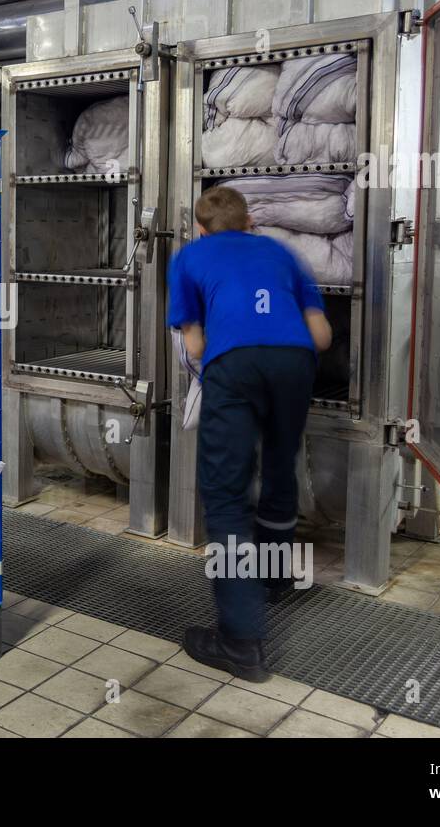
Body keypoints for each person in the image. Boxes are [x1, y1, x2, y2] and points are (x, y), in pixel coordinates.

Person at [167, 185, 332, 682]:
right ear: (250, 222)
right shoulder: (281, 251)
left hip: (235, 366)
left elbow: (195, 345)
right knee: (280, 466)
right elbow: (321, 334)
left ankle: (239, 639)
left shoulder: (190, 257)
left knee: (224, 494)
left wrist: (236, 352)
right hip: (297, 363)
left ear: (200, 227)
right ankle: (277, 575)